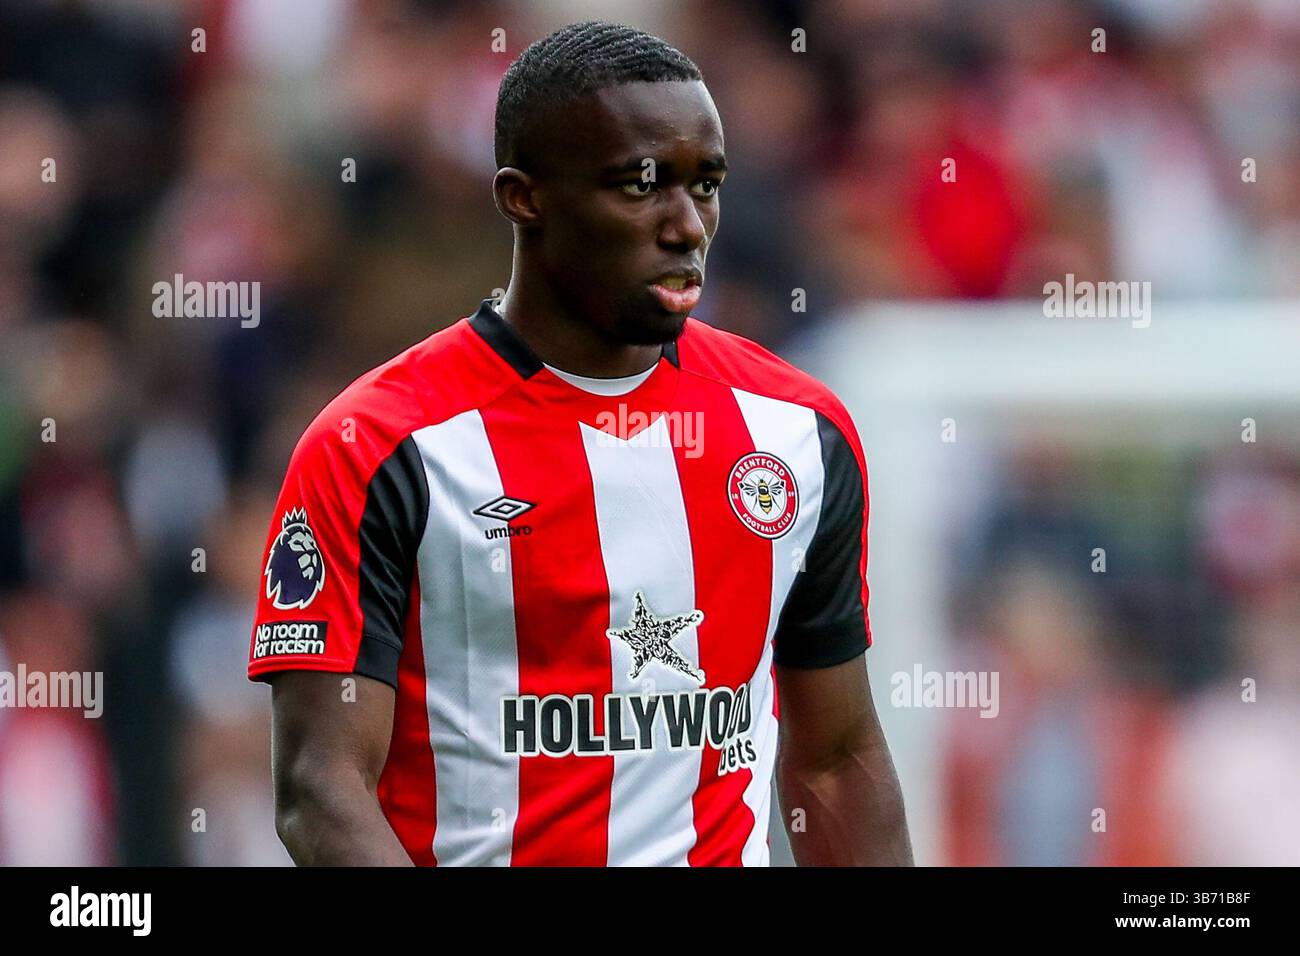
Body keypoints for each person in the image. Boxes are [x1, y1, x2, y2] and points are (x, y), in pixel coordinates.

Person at [248, 20, 911, 866]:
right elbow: (319, 789)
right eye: (638, 187)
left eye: (703, 185)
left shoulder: (796, 433)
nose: (686, 226)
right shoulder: (379, 445)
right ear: (524, 196)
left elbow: (837, 761)